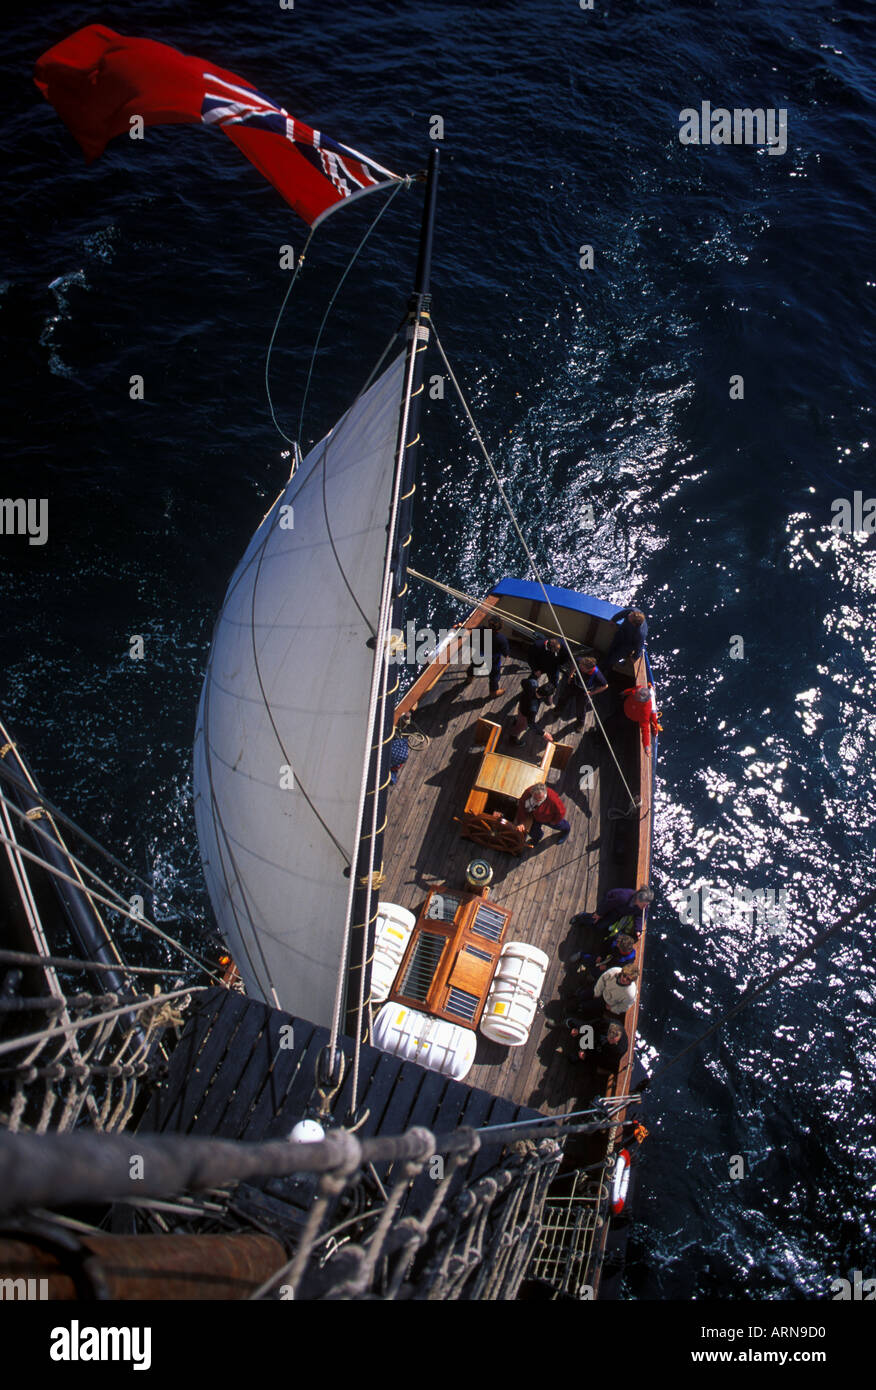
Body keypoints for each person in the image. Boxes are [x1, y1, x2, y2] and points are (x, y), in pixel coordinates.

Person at [570, 886, 653, 943]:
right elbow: (607, 904)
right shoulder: (623, 897)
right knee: (594, 919)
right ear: (638, 899)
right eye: (644, 904)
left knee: (600, 926)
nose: (645, 907)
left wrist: (638, 929)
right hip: (609, 904)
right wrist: (599, 913)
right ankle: (581, 917)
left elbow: (640, 916)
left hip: (618, 912)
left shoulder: (642, 907)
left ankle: (590, 924)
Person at [566, 963, 639, 1023]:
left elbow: (625, 1007)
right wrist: (597, 993)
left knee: (586, 1006)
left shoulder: (631, 994)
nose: (624, 979)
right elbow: (602, 979)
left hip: (606, 1002)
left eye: (628, 979)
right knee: (582, 995)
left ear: (632, 981)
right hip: (600, 990)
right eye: (624, 975)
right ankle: (574, 1000)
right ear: (622, 972)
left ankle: (577, 1010)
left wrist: (612, 1008)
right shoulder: (614, 971)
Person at [562, 654, 609, 731]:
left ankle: (580, 724)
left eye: (582, 668)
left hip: (584, 691)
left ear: (589, 669)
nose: (580, 667)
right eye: (580, 665)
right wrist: (571, 674)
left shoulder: (597, 675)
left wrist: (591, 693)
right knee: (564, 696)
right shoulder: (580, 661)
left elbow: (605, 686)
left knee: (580, 709)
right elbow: (575, 663)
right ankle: (558, 710)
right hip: (574, 684)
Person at [515, 782, 570, 846]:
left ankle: (566, 831)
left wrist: (554, 821)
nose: (537, 801)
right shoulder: (528, 792)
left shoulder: (553, 798)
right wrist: (521, 821)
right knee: (533, 832)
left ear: (545, 794)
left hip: (549, 818)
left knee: (562, 825)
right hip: (535, 816)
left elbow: (561, 811)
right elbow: (521, 806)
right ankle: (537, 838)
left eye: (540, 799)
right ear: (532, 793)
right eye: (535, 798)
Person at [508, 676, 554, 746]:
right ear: (545, 696)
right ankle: (512, 739)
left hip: (522, 704)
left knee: (519, 716)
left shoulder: (532, 683)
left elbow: (523, 681)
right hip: (525, 714)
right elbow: (531, 723)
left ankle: (517, 721)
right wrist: (544, 734)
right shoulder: (533, 708)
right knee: (522, 726)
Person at [569, 931, 637, 977]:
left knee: (598, 972)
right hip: (606, 954)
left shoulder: (628, 960)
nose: (616, 944)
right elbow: (605, 945)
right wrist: (601, 955)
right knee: (593, 958)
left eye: (618, 945)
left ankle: (589, 972)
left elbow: (618, 968)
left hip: (610, 964)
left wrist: (607, 967)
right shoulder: (617, 939)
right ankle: (581, 955)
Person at [622, 684, 660, 753]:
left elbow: (645, 729)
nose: (634, 693)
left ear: (641, 701)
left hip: (629, 717)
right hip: (625, 706)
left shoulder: (645, 711)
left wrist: (646, 746)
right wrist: (624, 693)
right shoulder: (638, 689)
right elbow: (631, 690)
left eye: (636, 695)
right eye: (636, 692)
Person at [528, 636, 565, 704]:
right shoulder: (537, 645)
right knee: (532, 679)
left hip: (554, 667)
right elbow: (530, 658)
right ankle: (528, 690)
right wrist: (536, 669)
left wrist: (559, 664)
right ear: (549, 648)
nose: (557, 652)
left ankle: (549, 693)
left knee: (554, 682)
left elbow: (565, 656)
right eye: (555, 651)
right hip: (540, 666)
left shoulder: (563, 643)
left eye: (558, 650)